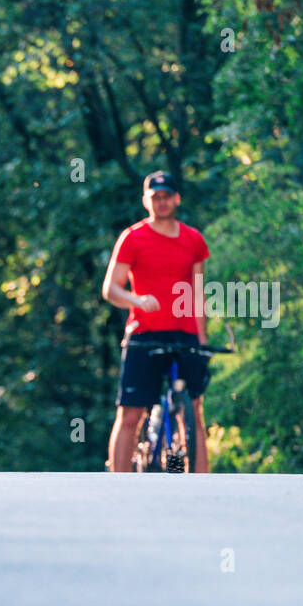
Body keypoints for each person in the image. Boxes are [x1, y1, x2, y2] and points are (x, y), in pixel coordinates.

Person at [102, 171, 212, 472]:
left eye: (167, 196)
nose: (161, 202)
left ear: (177, 198)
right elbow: (110, 288)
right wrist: (137, 301)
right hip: (145, 333)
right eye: (155, 197)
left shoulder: (193, 240)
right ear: (146, 201)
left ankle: (202, 483)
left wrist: (201, 341)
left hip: (185, 334)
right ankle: (119, 483)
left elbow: (197, 293)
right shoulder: (133, 238)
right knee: (131, 414)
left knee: (192, 412)